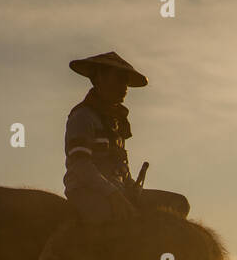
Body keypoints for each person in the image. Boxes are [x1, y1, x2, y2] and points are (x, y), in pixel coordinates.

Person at [63, 51, 190, 223]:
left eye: (126, 82)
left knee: (178, 204)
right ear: (99, 78)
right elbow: (80, 164)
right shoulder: (83, 117)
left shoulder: (116, 122)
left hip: (119, 190)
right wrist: (112, 193)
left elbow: (119, 167)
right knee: (121, 220)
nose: (124, 87)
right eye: (119, 79)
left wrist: (130, 187)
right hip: (87, 191)